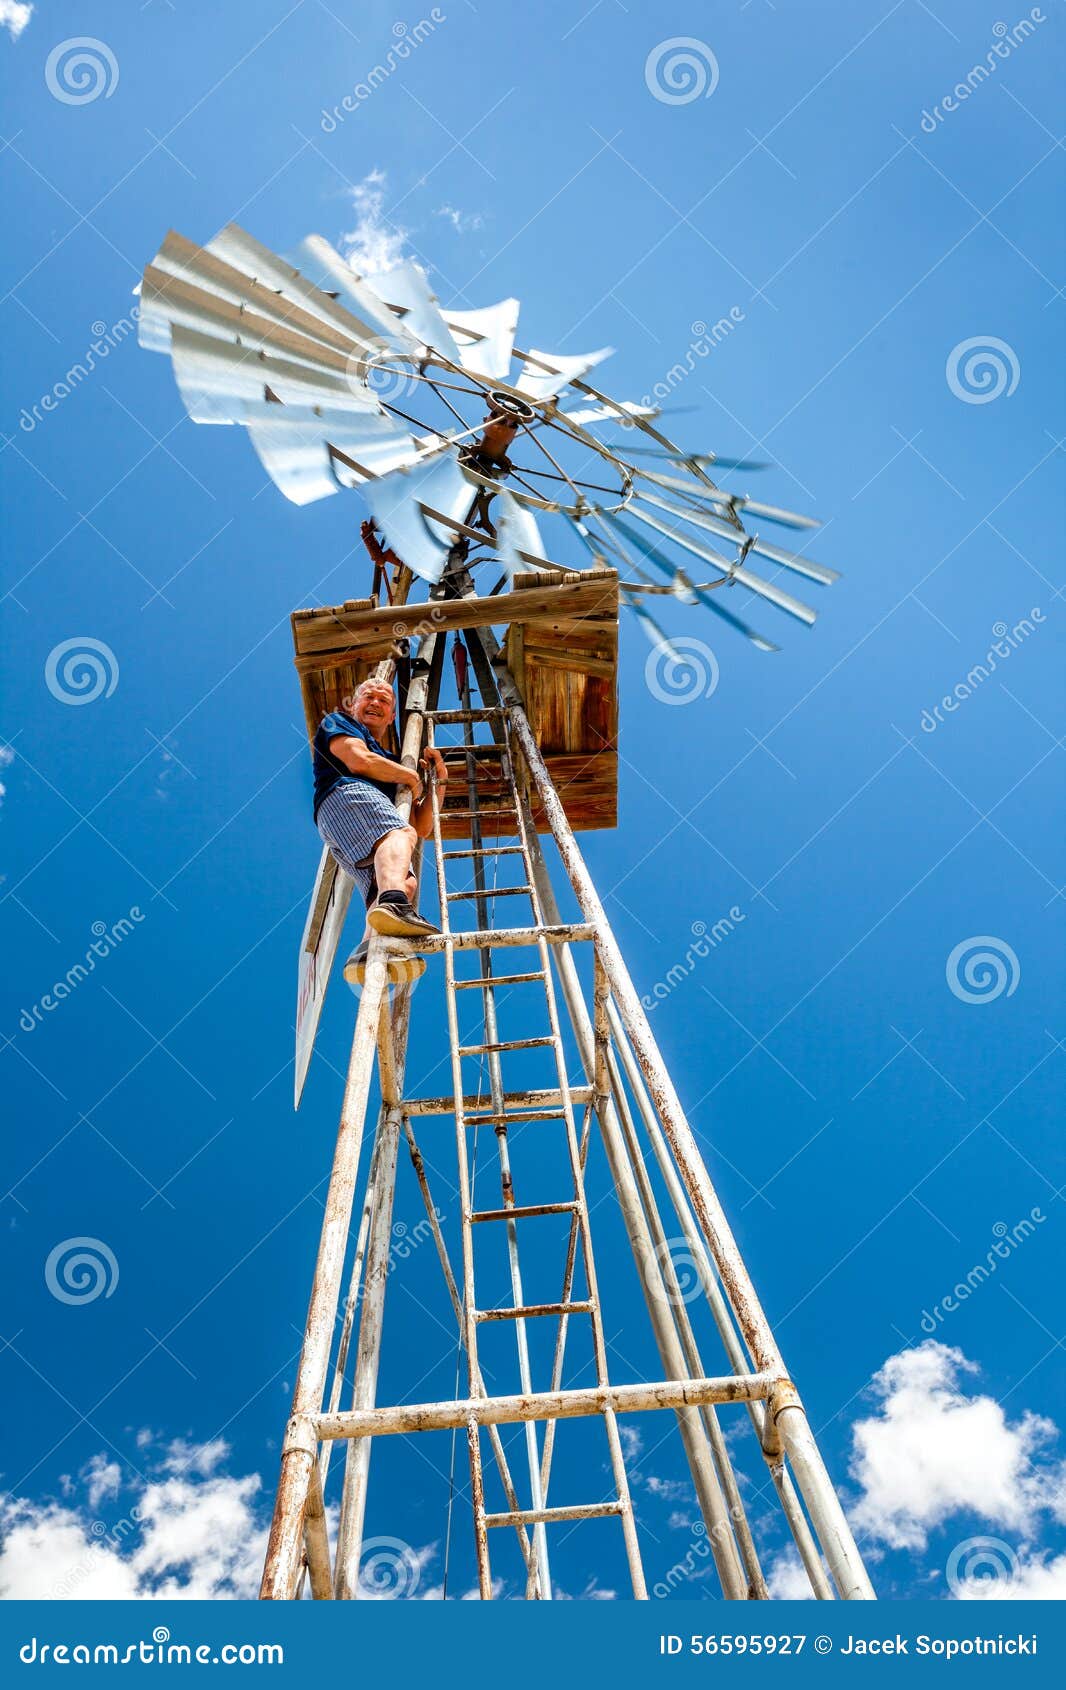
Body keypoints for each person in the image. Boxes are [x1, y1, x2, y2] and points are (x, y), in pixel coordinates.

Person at [312, 677, 447, 984]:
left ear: (392, 716)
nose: (375, 703)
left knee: (404, 882)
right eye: (368, 697)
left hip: (347, 819)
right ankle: (394, 904)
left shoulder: (392, 765)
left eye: (384, 701)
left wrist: (439, 781)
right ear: (354, 705)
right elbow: (359, 760)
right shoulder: (339, 722)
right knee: (398, 836)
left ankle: (368, 950)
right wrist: (411, 777)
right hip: (345, 794)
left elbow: (422, 826)